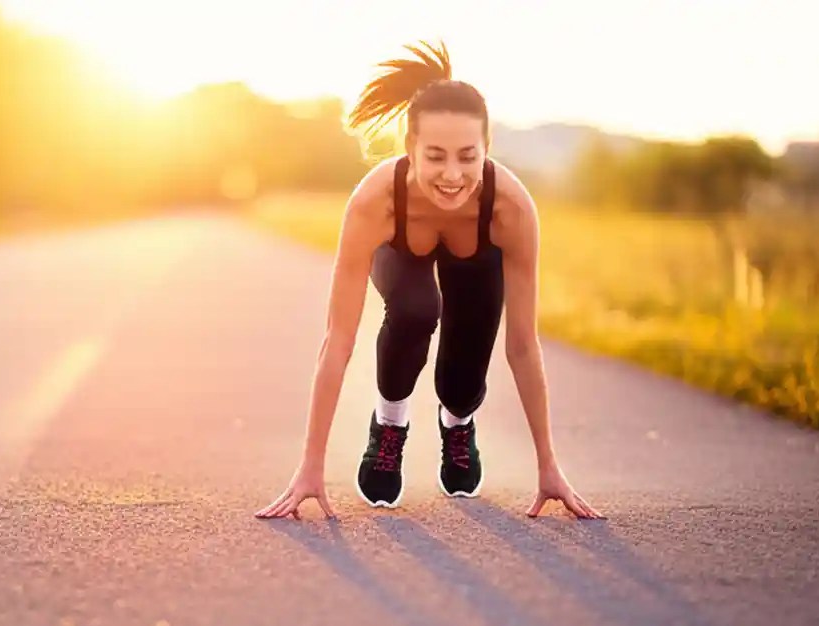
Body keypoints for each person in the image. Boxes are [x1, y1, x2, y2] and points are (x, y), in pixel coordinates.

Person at [255, 40, 603, 521]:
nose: (453, 175)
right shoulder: (375, 202)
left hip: (475, 260)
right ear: (410, 148)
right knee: (417, 309)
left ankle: (458, 423)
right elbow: (338, 339)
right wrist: (309, 469)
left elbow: (522, 344)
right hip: (400, 255)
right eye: (435, 156)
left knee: (462, 378)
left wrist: (548, 467)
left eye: (467, 156)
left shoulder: (510, 208)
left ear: (487, 149)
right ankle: (389, 427)